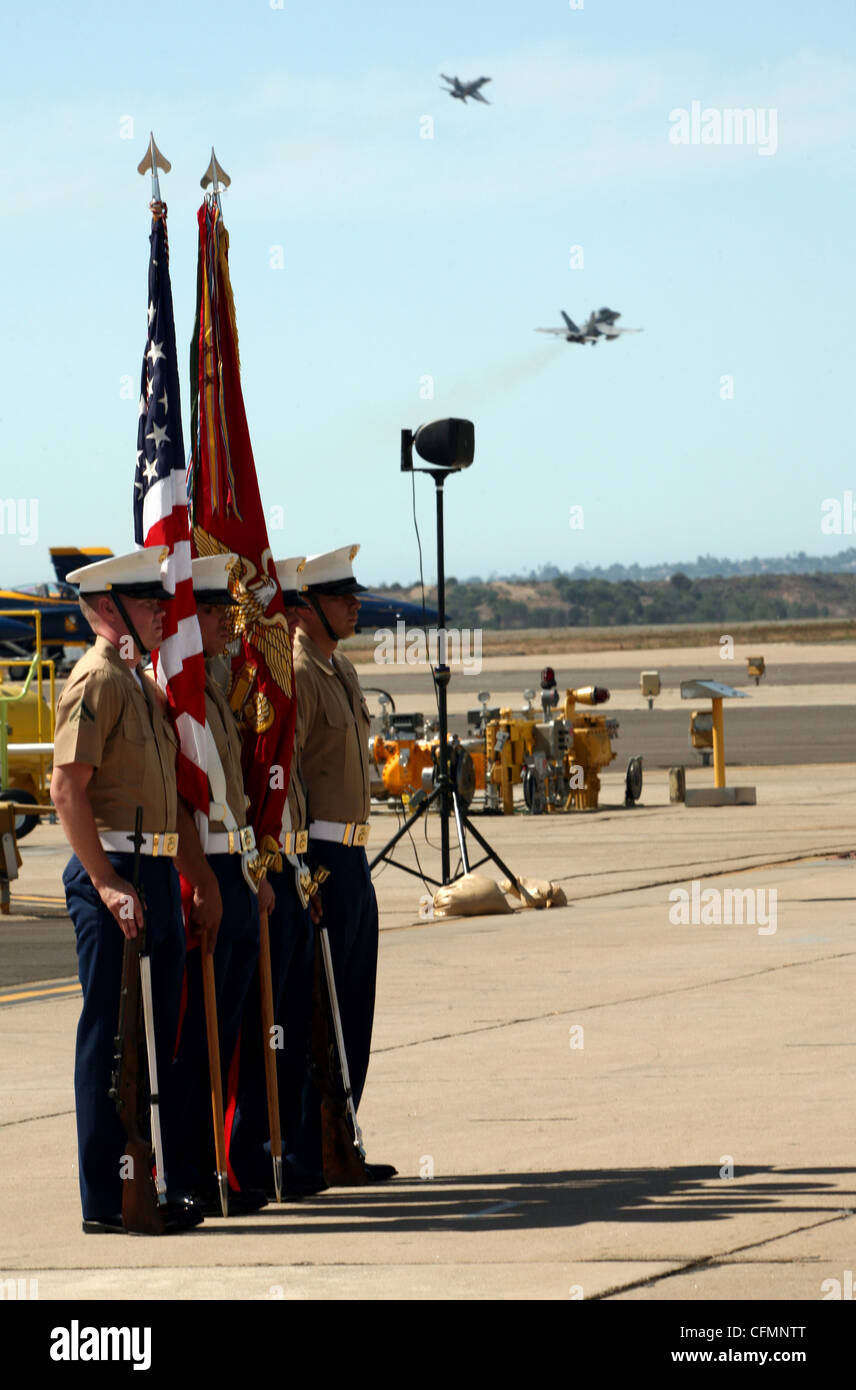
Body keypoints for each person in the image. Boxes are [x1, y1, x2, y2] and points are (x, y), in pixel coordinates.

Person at [51, 548, 222, 1234]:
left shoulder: (137, 683)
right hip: (114, 873)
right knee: (111, 1039)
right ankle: (108, 1200)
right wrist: (104, 882)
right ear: (109, 609)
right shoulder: (96, 679)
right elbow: (68, 790)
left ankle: (145, 1185)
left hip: (149, 868)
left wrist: (197, 874)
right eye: (149, 604)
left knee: (151, 1041)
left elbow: (166, 799)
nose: (162, 612)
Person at [171, 553, 274, 1215]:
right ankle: (193, 1171)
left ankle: (222, 1170)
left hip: (233, 872)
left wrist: (252, 874)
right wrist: (208, 877)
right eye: (216, 613)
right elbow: (190, 798)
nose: (232, 625)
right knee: (196, 1041)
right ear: (193, 617)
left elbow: (234, 800)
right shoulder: (179, 687)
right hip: (201, 874)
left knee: (230, 1032)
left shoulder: (211, 684)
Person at [292, 544, 396, 1183]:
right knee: (319, 1012)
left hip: (354, 852)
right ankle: (313, 1147)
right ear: (308, 608)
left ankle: (342, 1140)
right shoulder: (300, 674)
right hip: (321, 854)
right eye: (340, 597)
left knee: (354, 1006)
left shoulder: (343, 670)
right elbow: (290, 783)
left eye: (353, 596)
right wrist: (304, 871)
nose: (355, 605)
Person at [228, 556, 322, 1199]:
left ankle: (285, 1154)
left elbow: (296, 780)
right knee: (255, 1032)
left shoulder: (284, 684)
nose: (283, 623)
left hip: (287, 864)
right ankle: (247, 1160)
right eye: (277, 611)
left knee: (291, 1028)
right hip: (249, 870)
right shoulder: (243, 683)